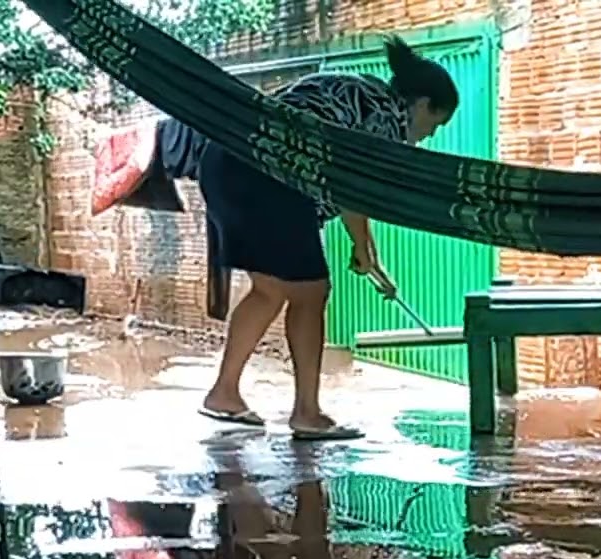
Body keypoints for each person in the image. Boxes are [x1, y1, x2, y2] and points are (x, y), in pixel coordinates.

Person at [196, 35, 458, 441]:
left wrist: (367, 250)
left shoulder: (360, 91)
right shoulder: (387, 119)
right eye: (434, 124)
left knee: (270, 290)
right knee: (310, 292)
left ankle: (224, 393)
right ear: (422, 104)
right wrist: (362, 248)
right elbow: (349, 187)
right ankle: (306, 413)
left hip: (224, 162)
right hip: (266, 175)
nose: (429, 136)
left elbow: (346, 181)